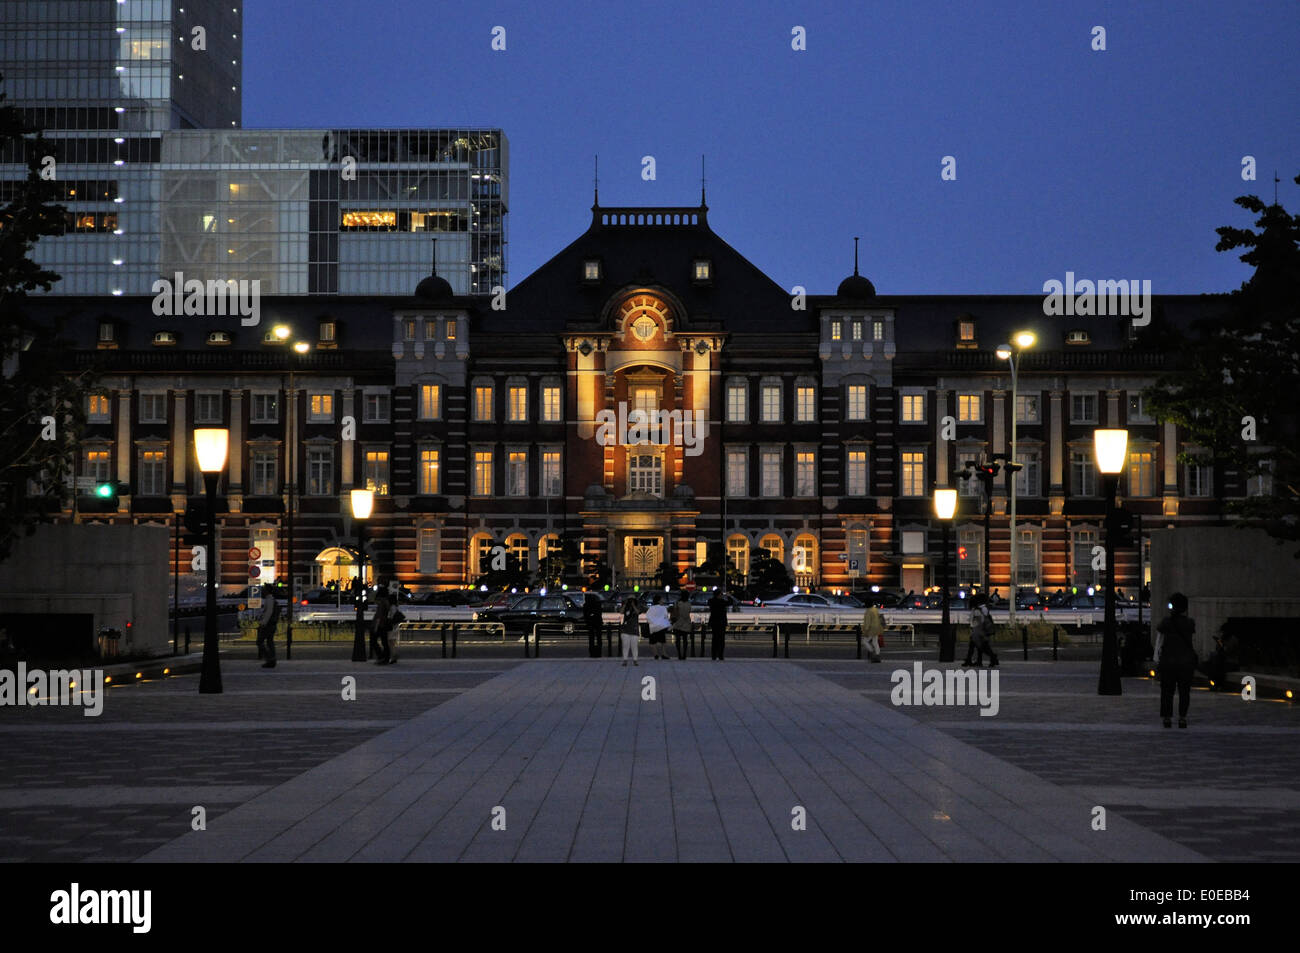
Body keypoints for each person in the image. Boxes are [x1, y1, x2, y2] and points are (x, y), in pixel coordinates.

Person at [1155, 592, 1198, 727]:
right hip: (1185, 663)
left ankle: (1167, 717)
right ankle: (1182, 717)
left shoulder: (1166, 623)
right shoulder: (1190, 623)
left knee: (1167, 691)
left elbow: (1159, 642)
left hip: (1168, 662)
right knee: (1184, 692)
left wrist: (1156, 660)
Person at [963, 595, 998, 668]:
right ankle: (978, 660)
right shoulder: (982, 608)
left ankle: (992, 658)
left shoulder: (979, 609)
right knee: (980, 647)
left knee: (981, 647)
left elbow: (980, 621)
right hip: (981, 631)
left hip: (979, 631)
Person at [256, 584, 280, 668]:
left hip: (268, 624)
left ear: (267, 591)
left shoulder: (269, 600)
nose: (262, 590)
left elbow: (268, 613)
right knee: (270, 642)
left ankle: (269, 659)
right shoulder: (271, 599)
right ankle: (272, 659)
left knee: (259, 641)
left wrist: (263, 623)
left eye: (264, 589)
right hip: (271, 624)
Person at [371, 586, 393, 664]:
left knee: (374, 641)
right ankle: (385, 657)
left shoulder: (382, 603)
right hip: (384, 624)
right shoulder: (387, 602)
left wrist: (376, 626)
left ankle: (382, 656)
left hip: (381, 625)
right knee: (384, 642)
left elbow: (379, 616)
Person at [708, 589, 729, 660]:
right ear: (719, 595)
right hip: (722, 622)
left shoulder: (711, 601)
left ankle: (714, 655)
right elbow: (730, 602)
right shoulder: (722, 602)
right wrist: (728, 596)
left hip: (714, 622)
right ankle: (720, 655)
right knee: (721, 640)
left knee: (714, 639)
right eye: (721, 594)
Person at [671, 590, 693, 660]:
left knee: (678, 640)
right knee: (685, 640)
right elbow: (688, 612)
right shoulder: (688, 604)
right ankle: (684, 655)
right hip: (686, 623)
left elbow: (674, 612)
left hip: (678, 623)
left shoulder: (677, 603)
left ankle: (679, 654)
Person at [620, 599, 640, 666]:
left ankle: (635, 660)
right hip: (625, 629)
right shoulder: (625, 607)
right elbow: (621, 612)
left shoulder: (637, 607)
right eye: (629, 599)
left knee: (634, 646)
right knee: (625, 646)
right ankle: (625, 660)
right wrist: (625, 604)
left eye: (632, 599)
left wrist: (633, 605)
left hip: (634, 629)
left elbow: (638, 612)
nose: (631, 601)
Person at [583, 593, 604, 658]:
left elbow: (585, 615)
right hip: (597, 622)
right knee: (598, 638)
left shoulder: (586, 605)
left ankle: (592, 652)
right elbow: (599, 613)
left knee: (591, 638)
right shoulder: (597, 604)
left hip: (590, 623)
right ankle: (599, 652)